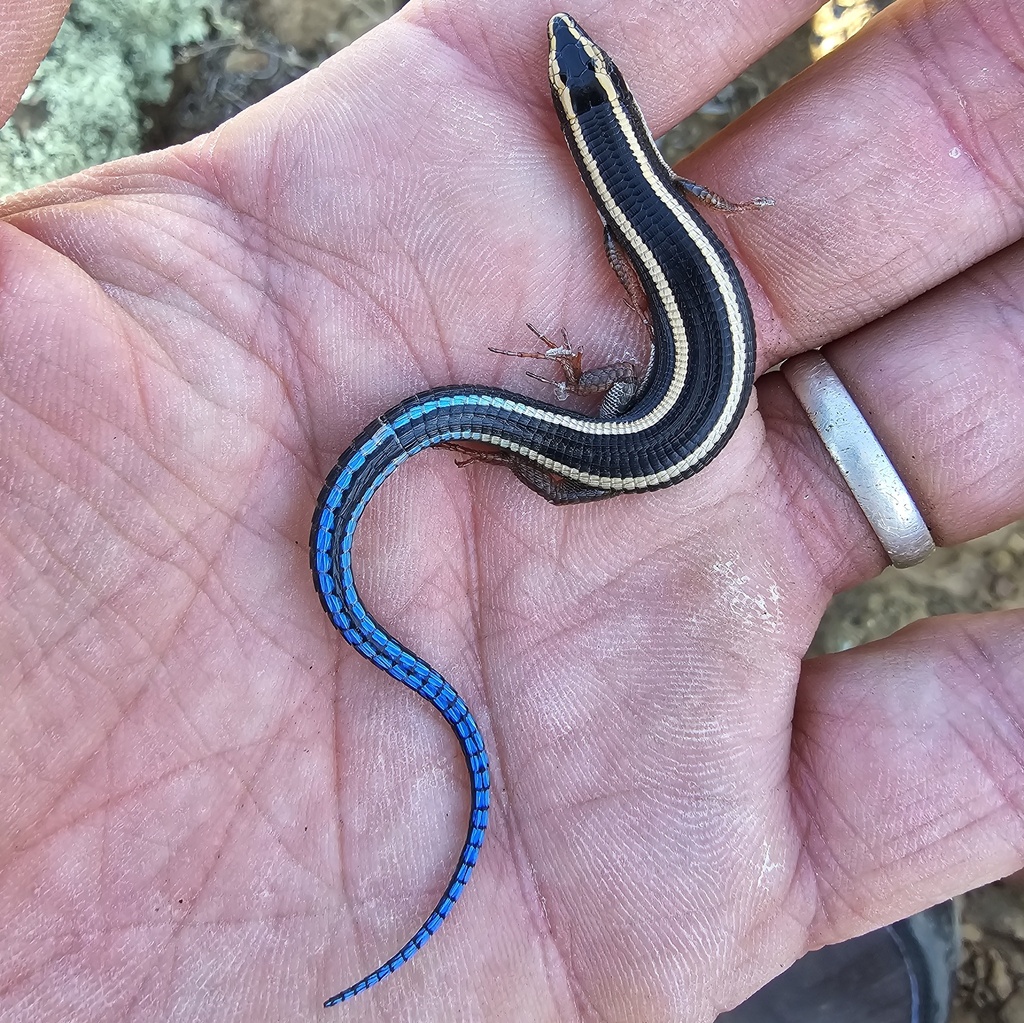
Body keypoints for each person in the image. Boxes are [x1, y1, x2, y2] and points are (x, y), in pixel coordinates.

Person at [1, 0, 1021, 1019]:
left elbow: (622, 271)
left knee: (493, 421)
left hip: (646, 426)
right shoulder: (646, 200)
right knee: (501, 421)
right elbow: (637, 245)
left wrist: (567, 407)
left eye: (578, 74)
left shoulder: (628, 207)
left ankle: (497, 442)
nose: (565, 50)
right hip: (654, 422)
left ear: (587, 120)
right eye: (577, 75)